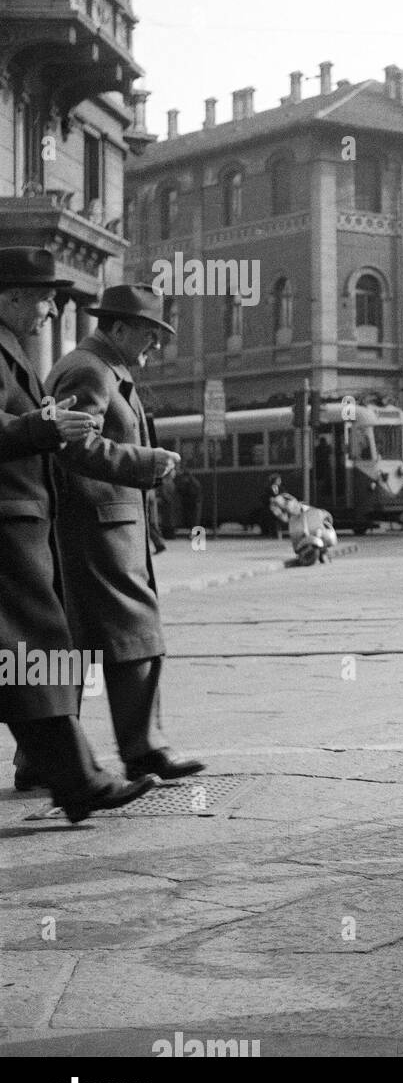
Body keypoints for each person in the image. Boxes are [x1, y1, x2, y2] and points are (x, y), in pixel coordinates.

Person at [0, 249, 158, 820]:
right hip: (9, 527)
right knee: (31, 651)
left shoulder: (15, 349)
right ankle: (78, 778)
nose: (50, 309)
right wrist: (42, 425)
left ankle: (71, 776)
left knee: (28, 655)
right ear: (11, 297)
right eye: (44, 297)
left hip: (23, 526)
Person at [47, 284, 206, 783]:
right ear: (118, 328)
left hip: (101, 526)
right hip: (94, 529)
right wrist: (146, 462)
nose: (155, 344)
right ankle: (144, 750)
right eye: (149, 332)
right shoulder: (88, 370)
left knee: (76, 643)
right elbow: (69, 443)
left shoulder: (100, 369)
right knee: (135, 635)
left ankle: (41, 761)